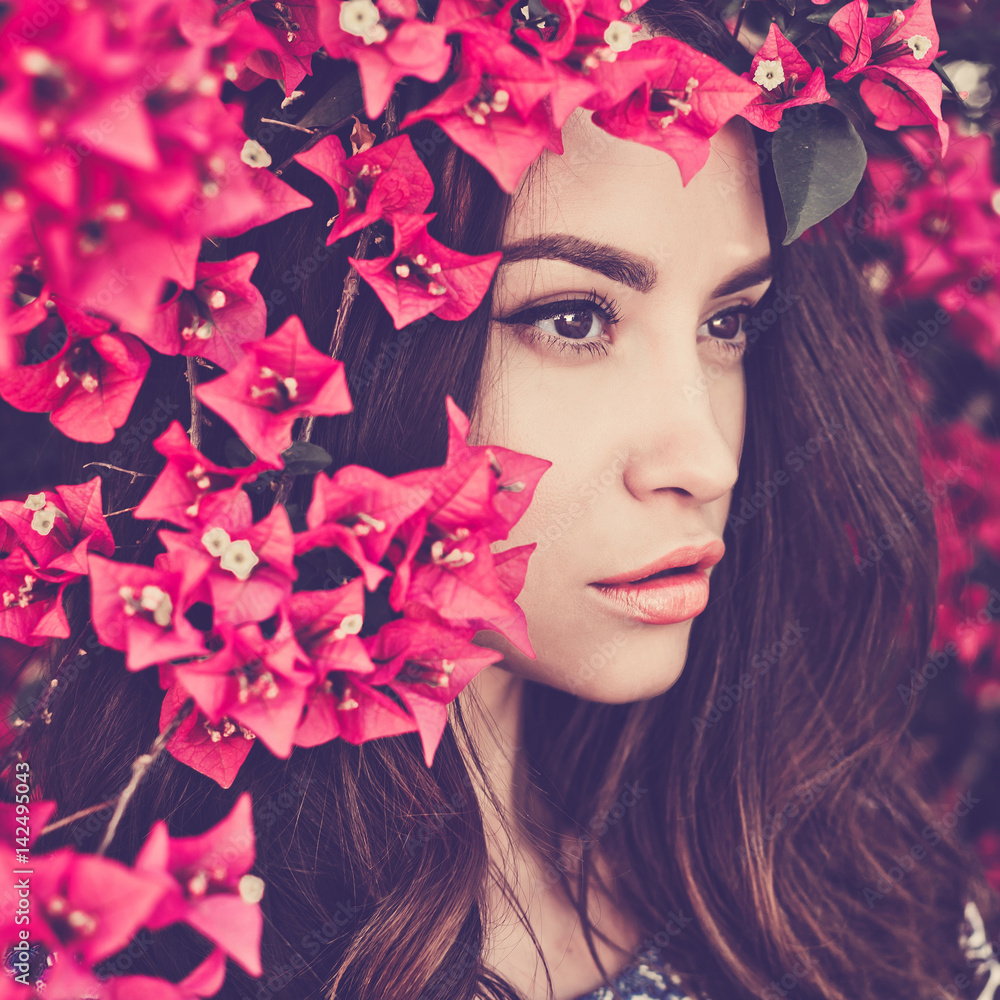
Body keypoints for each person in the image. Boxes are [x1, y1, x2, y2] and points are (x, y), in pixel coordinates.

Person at [15, 0, 1000, 998]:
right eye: (574, 318)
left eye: (729, 322)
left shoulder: (868, 906)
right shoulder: (80, 942)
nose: (703, 458)